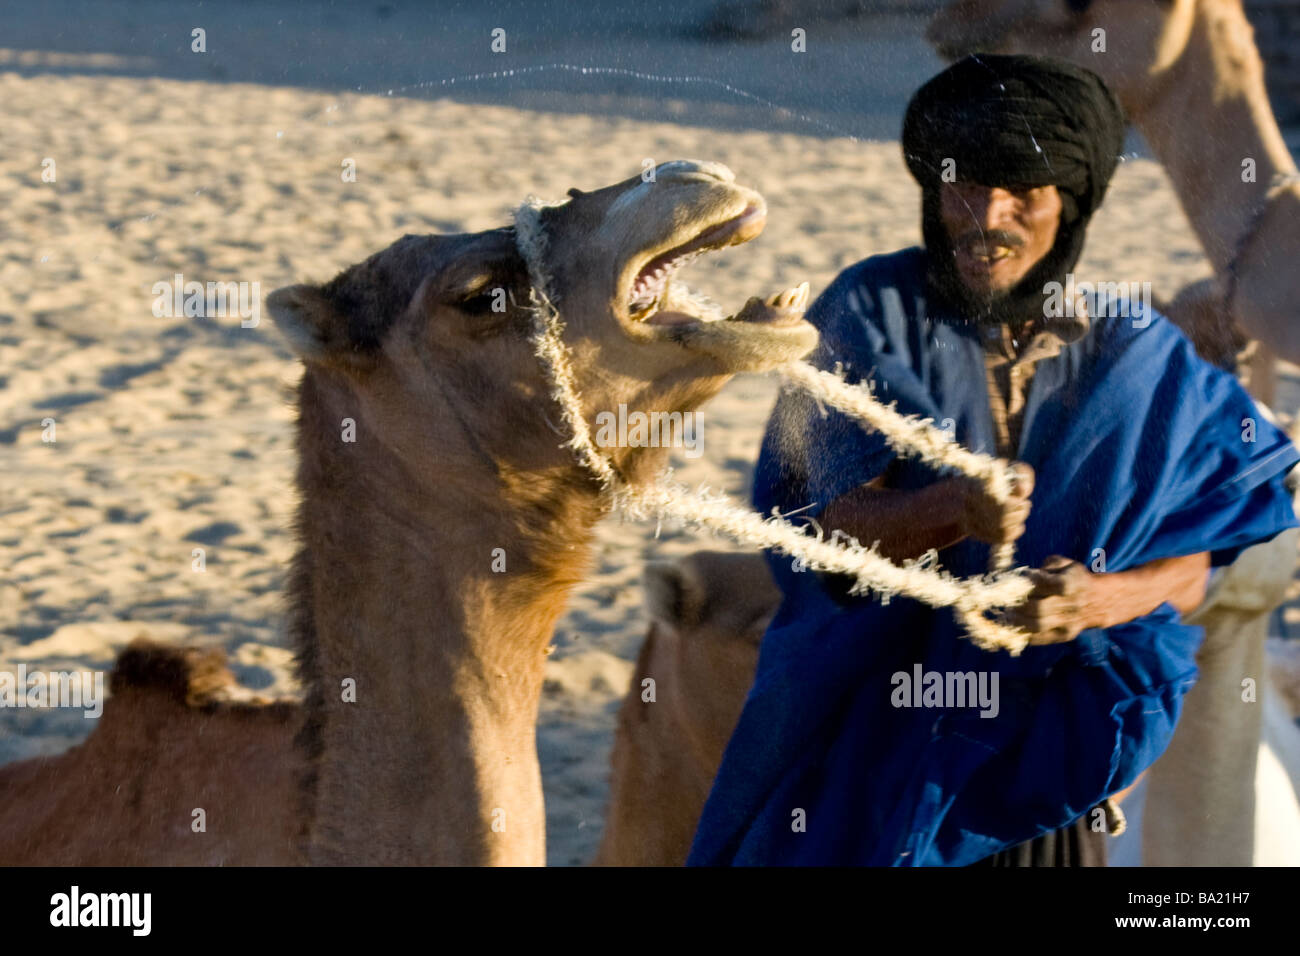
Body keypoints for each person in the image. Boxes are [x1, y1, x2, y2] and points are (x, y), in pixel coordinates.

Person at [686, 54, 1300, 867]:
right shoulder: (870, 310)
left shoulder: (1142, 362)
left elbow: (1204, 564)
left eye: (1022, 192)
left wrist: (1100, 600)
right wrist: (948, 510)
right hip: (873, 750)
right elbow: (820, 534)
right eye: (964, 185)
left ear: (1070, 205)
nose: (985, 217)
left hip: (1050, 772)